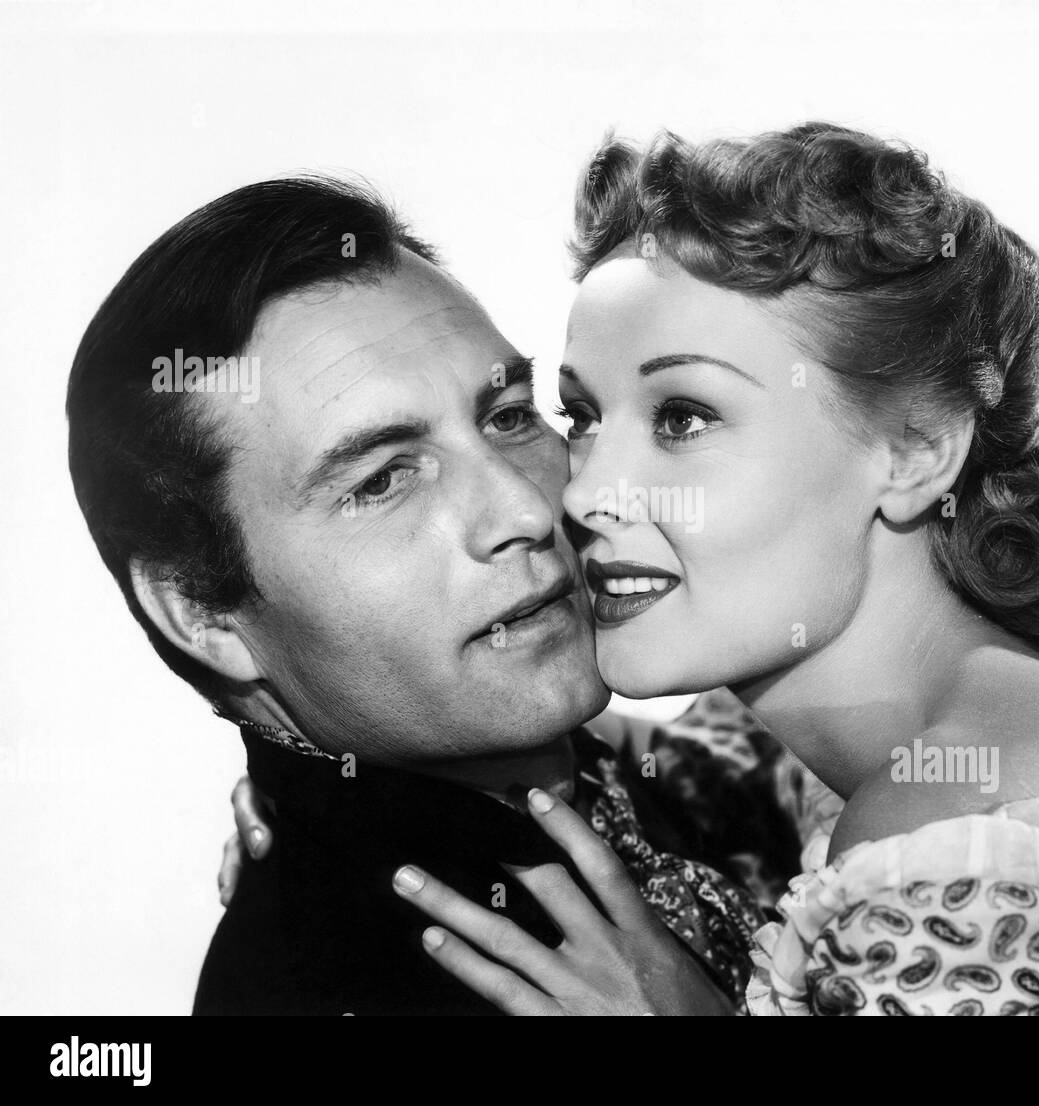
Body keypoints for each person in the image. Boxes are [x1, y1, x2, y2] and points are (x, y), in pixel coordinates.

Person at [321, 122, 1039, 1015]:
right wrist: (336, 743)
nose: (581, 495)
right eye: (582, 417)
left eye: (683, 418)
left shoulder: (934, 842)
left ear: (916, 449)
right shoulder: (918, 730)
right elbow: (712, 762)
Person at [66, 175, 807, 1014]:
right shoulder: (375, 979)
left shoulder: (610, 775)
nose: (530, 509)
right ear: (199, 613)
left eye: (508, 416)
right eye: (383, 481)